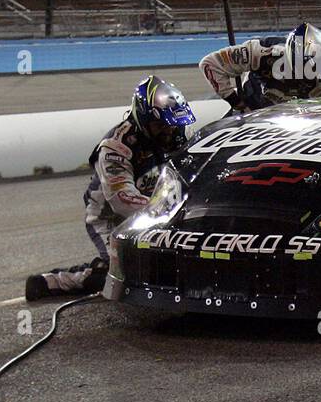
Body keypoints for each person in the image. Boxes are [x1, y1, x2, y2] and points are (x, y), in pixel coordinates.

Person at [25, 76, 196, 300]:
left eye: (173, 125)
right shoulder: (116, 146)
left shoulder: (179, 136)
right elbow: (121, 199)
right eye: (161, 125)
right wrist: (168, 211)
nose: (169, 132)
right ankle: (52, 281)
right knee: (118, 277)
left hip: (157, 209)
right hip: (110, 217)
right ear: (143, 119)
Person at [199, 21, 321, 113]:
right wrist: (235, 101)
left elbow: (319, 111)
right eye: (313, 68)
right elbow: (210, 64)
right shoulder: (261, 51)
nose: (317, 74)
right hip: (251, 109)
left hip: (292, 118)